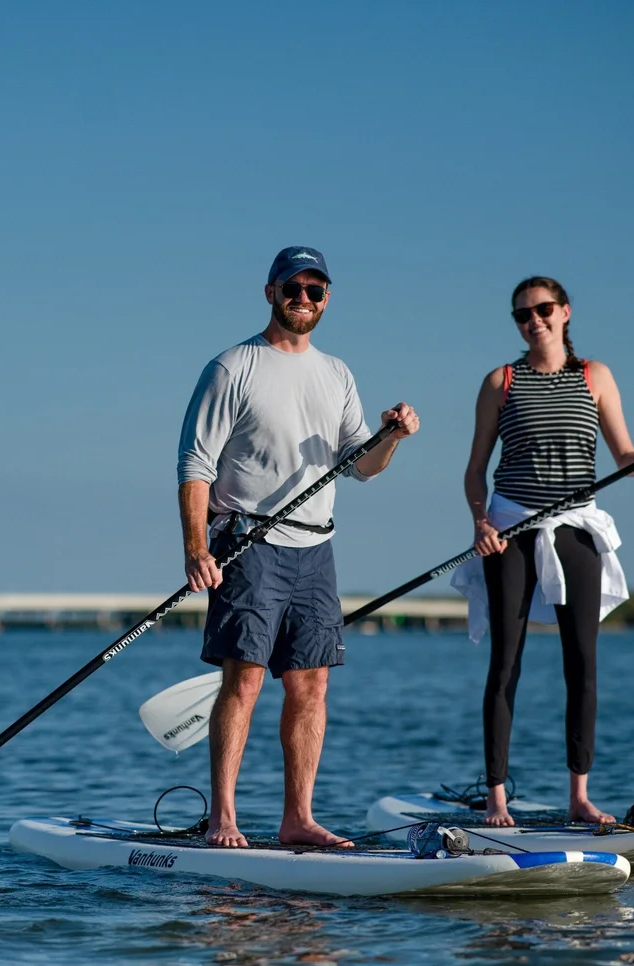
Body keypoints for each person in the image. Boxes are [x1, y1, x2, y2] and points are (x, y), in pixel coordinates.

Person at [177, 246, 419, 848]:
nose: (303, 299)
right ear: (271, 292)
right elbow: (194, 466)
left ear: (327, 298)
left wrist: (393, 436)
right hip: (248, 543)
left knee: (311, 685)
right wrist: (194, 548)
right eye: (293, 288)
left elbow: (362, 467)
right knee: (246, 680)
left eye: (315, 290)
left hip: (317, 550)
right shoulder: (233, 367)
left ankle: (297, 820)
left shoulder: (337, 373)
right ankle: (223, 818)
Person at [457, 275, 634, 827]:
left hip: (575, 530)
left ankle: (579, 796)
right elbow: (475, 469)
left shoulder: (594, 376)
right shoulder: (500, 382)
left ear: (566, 312)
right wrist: (481, 522)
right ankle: (497, 799)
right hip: (510, 530)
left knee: (583, 664)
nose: (534, 320)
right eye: (523, 314)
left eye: (543, 309)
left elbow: (621, 454)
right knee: (505, 664)